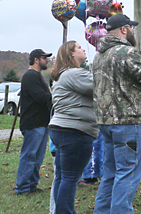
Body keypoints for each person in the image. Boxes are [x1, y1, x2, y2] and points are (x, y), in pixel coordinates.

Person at [91, 14, 141, 214]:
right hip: (129, 122)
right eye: (131, 28)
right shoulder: (127, 52)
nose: (132, 31)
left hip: (106, 121)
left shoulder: (99, 55)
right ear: (124, 29)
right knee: (128, 172)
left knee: (111, 173)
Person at [49, 40, 97, 214]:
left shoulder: (62, 75)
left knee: (62, 176)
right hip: (75, 131)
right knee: (70, 178)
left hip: (60, 129)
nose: (83, 49)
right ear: (71, 53)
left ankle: (59, 211)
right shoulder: (76, 74)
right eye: (79, 47)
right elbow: (100, 88)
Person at [14, 48, 53, 195]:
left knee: (37, 157)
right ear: (36, 60)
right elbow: (40, 96)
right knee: (29, 156)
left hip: (41, 123)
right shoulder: (30, 76)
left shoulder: (37, 76)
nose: (47, 60)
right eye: (44, 58)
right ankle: (22, 187)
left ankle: (31, 185)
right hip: (33, 123)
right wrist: (57, 96)